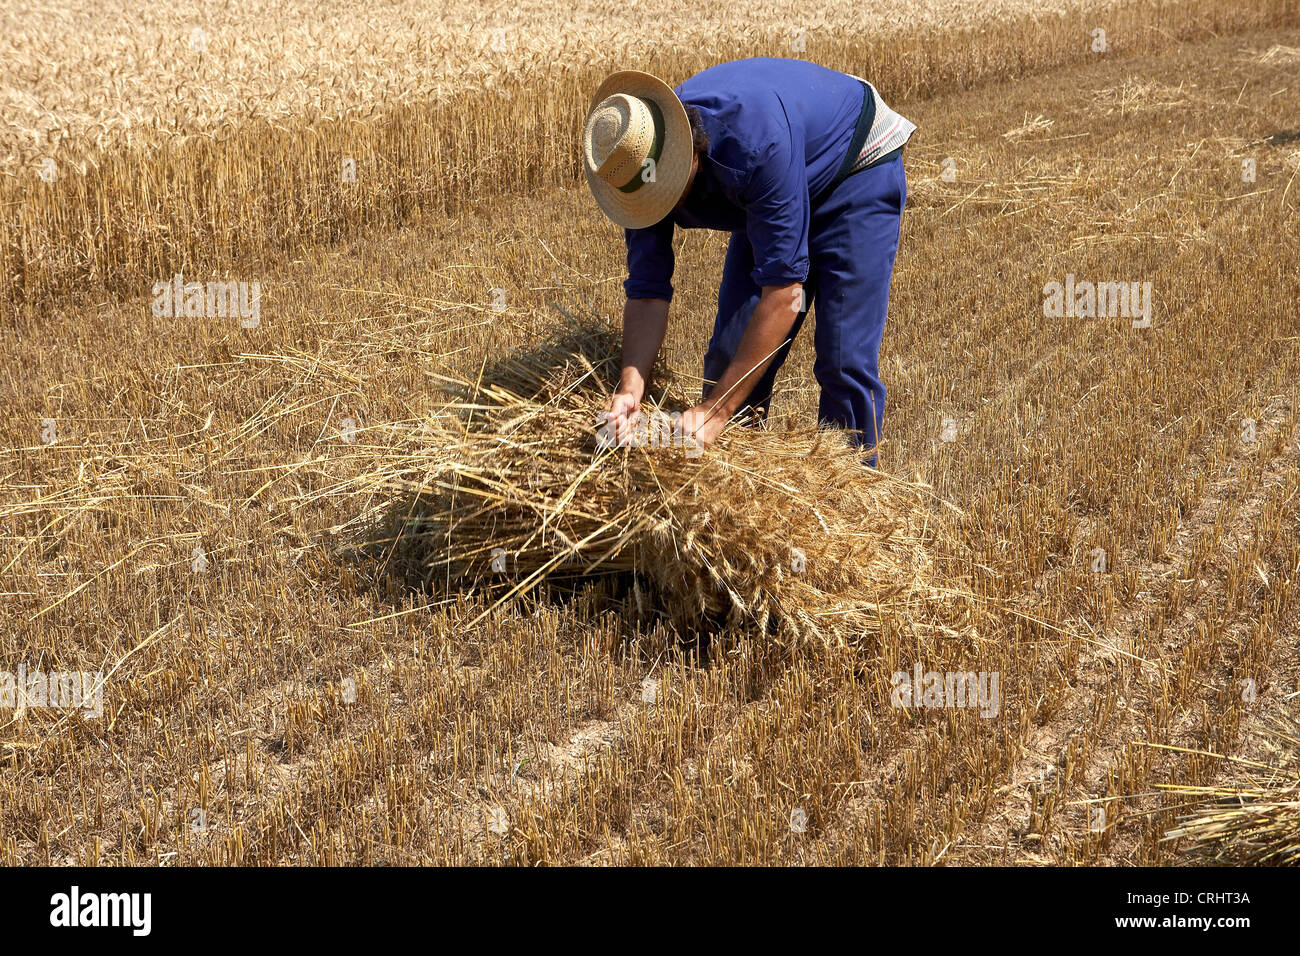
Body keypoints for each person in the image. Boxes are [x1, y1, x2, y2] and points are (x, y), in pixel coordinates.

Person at [581, 58, 914, 466]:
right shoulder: (636, 165)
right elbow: (648, 292)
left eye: (668, 191)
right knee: (729, 356)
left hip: (854, 166)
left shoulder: (753, 148)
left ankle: (855, 507)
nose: (662, 205)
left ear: (689, 153)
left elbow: (785, 292)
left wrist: (715, 413)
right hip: (780, 179)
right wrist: (630, 388)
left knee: (843, 362)